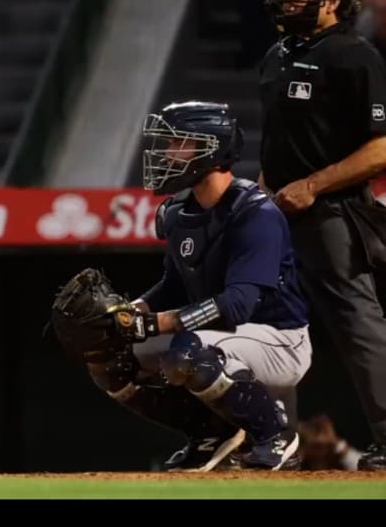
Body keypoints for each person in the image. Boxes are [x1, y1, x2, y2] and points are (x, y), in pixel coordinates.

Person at [55, 101, 311, 472]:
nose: (167, 154)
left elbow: (238, 304)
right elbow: (174, 285)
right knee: (109, 356)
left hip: (280, 340)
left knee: (185, 352)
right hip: (218, 335)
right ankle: (210, 435)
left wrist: (155, 324)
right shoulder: (178, 213)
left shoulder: (256, 214)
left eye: (179, 144)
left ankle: (277, 436)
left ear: (213, 149)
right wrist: (131, 313)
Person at [257, 0, 386, 470]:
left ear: (332, 1)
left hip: (332, 213)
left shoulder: (355, 56)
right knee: (260, 322)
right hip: (277, 210)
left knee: (357, 321)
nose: (287, 3)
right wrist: (265, 193)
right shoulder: (276, 54)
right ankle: (264, 438)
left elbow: (381, 148)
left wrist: (312, 184)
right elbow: (281, 139)